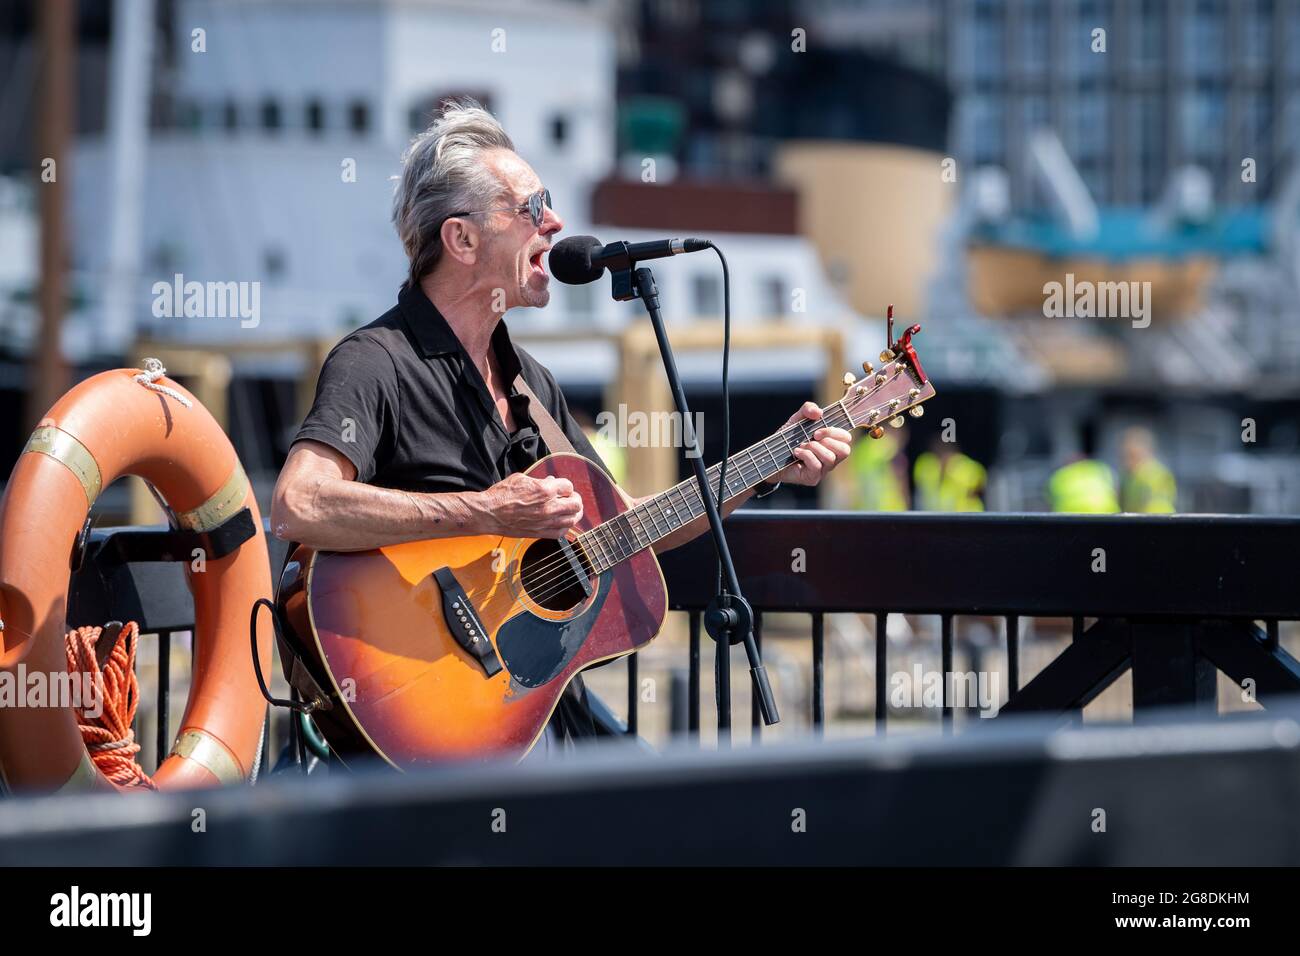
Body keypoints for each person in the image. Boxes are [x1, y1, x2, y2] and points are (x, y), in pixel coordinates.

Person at [270, 100, 852, 755]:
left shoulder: (531, 382)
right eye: (531, 206)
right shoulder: (376, 361)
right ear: (461, 240)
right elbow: (299, 504)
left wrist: (769, 466)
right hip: (423, 707)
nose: (557, 221)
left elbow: (627, 524)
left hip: (526, 705)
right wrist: (488, 510)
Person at [912, 439, 985, 512]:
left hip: (970, 514)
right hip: (946, 514)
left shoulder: (968, 466)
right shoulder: (932, 466)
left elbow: (979, 488)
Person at [1119, 426, 1176, 513]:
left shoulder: (1154, 475)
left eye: (1131, 456)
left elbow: (1155, 508)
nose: (1125, 461)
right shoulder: (1133, 477)